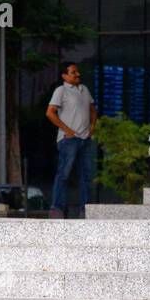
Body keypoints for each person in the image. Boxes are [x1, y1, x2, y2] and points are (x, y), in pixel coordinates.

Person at [47, 61, 97, 219]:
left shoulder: (84, 89)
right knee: (64, 173)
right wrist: (67, 130)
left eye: (78, 72)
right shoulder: (61, 91)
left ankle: (85, 209)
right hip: (68, 140)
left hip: (85, 139)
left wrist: (92, 127)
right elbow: (50, 112)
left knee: (87, 175)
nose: (77, 75)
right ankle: (57, 208)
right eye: (73, 72)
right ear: (64, 75)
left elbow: (93, 110)